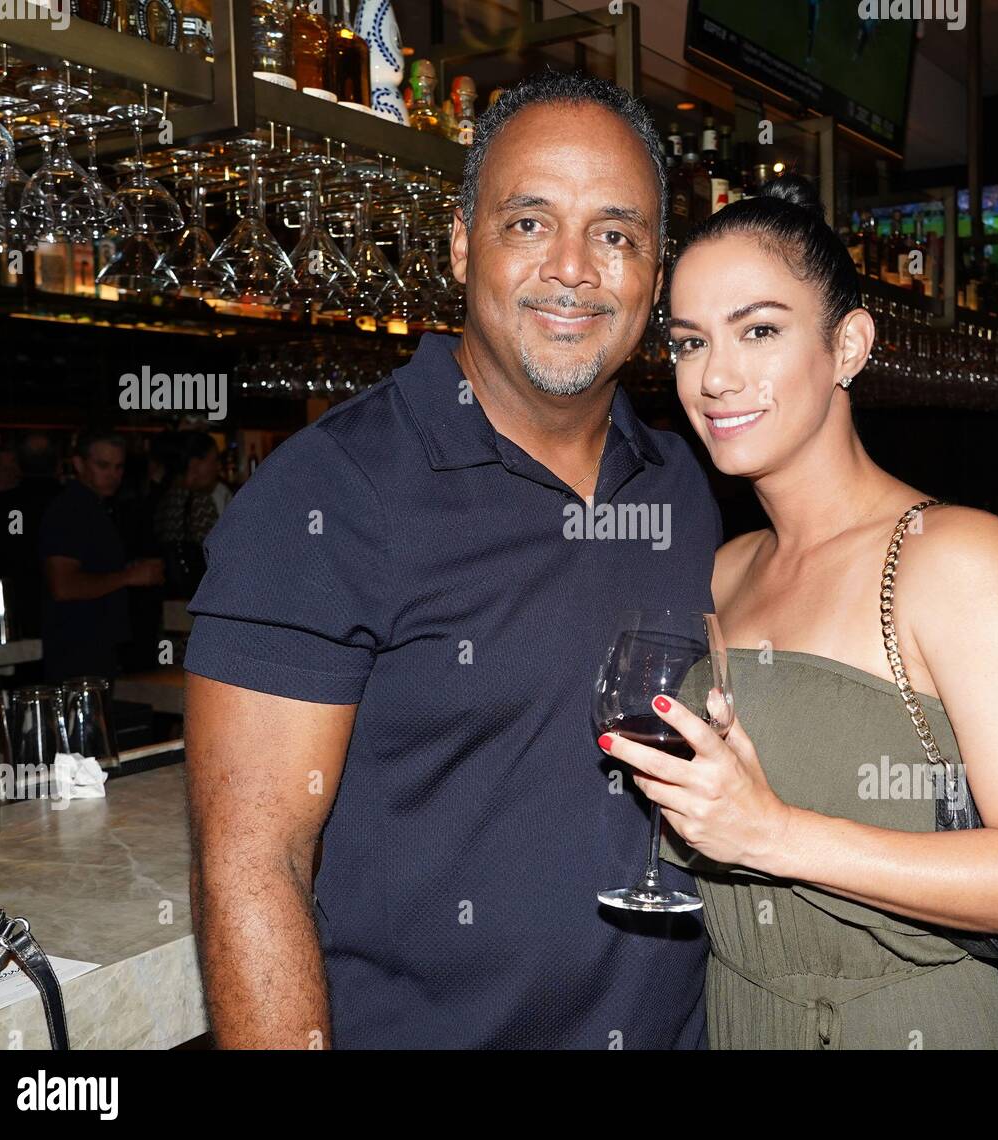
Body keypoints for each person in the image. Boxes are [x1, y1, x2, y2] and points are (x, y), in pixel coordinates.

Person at [183, 70, 721, 1049]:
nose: (572, 269)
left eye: (615, 234)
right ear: (462, 244)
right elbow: (253, 866)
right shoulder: (325, 494)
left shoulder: (687, 480)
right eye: (529, 223)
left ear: (655, 271)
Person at [599, 175, 998, 1049]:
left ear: (849, 346)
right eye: (689, 342)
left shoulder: (959, 560)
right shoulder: (723, 572)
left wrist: (775, 834)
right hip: (741, 1016)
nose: (715, 377)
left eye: (759, 330)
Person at [38, 430, 165, 684]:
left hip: (94, 644)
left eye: (119, 467)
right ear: (79, 464)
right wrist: (130, 576)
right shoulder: (71, 510)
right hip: (75, 648)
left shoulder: (95, 507)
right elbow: (63, 586)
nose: (113, 475)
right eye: (103, 465)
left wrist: (129, 571)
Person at [0, 433, 62, 639]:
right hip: (60, 615)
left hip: (18, 613)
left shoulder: (4, 506)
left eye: (11, 468)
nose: (10, 474)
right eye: (4, 470)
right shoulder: (73, 502)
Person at [154, 431, 221, 598]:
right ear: (194, 464)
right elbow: (218, 555)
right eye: (213, 460)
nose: (217, 467)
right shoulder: (200, 502)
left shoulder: (164, 498)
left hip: (171, 598)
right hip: (197, 596)